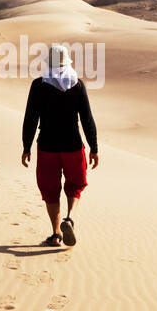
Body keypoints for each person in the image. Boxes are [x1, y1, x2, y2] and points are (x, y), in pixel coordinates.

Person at [20, 44, 99, 246]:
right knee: (75, 185)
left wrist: (26, 146)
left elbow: (31, 118)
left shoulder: (39, 86)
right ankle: (69, 218)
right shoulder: (77, 85)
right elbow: (87, 119)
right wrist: (94, 148)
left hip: (47, 145)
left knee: (50, 189)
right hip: (72, 144)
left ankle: (56, 234)